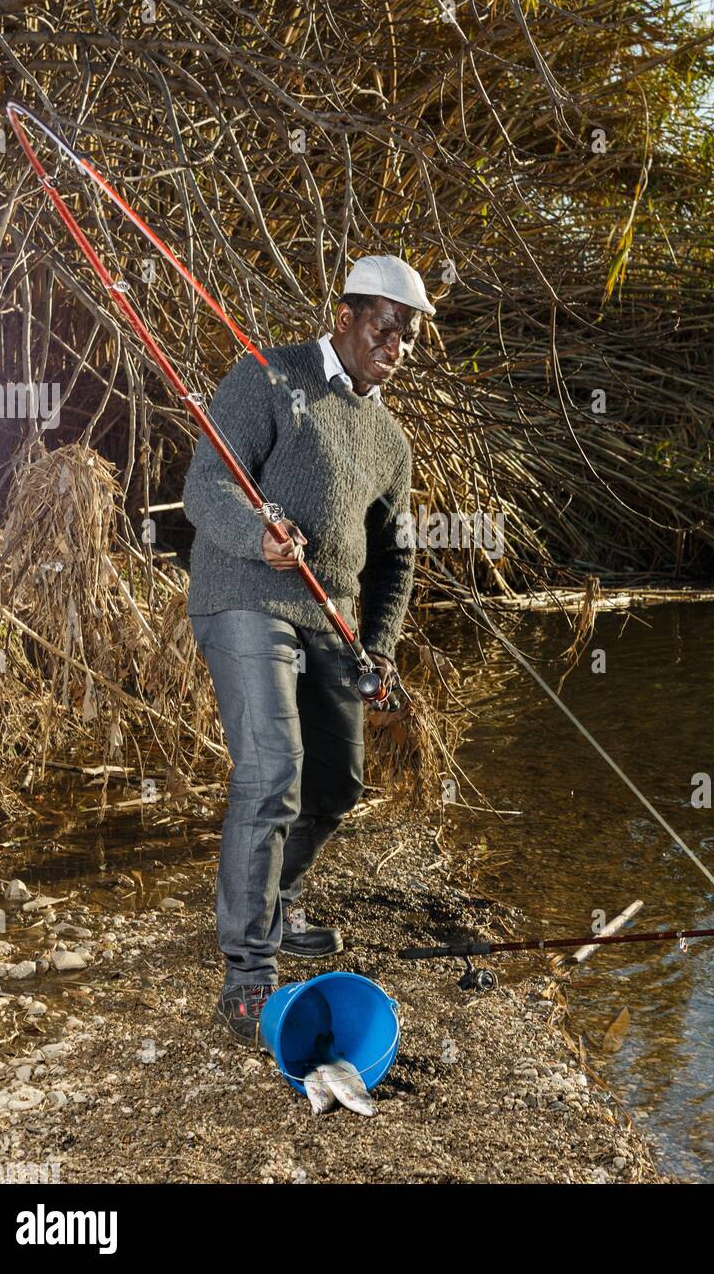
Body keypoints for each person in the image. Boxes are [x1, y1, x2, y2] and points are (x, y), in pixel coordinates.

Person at [182, 255, 435, 1044]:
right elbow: (205, 486)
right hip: (243, 596)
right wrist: (255, 534)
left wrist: (380, 644)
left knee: (337, 781)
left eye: (408, 338)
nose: (395, 348)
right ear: (346, 317)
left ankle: (278, 899)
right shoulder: (266, 375)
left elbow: (395, 556)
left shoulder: (389, 439)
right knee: (272, 770)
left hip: (331, 622)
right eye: (384, 329)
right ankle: (247, 976)